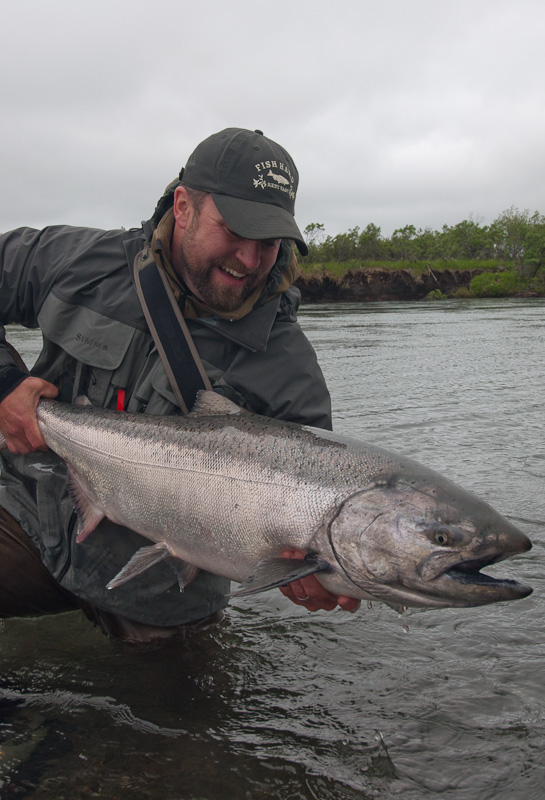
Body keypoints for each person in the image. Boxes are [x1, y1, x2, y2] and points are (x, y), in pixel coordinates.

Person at [0, 127, 359, 643]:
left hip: (161, 592)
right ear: (184, 206)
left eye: (269, 241)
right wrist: (5, 384)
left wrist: (311, 572)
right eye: (234, 230)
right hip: (26, 516)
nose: (250, 259)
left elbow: (307, 517)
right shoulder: (80, 264)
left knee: (174, 725)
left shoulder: (289, 369)